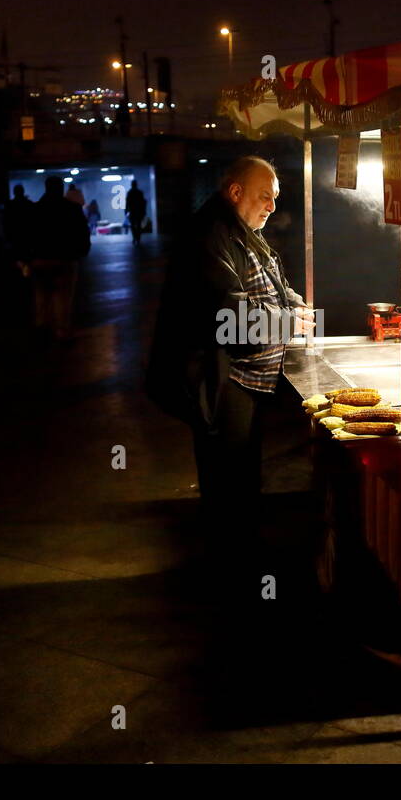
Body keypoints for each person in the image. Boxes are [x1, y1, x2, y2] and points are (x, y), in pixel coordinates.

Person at [146, 156, 314, 580]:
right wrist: (288, 321)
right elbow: (228, 317)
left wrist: (292, 304)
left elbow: (269, 283)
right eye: (264, 196)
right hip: (220, 382)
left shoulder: (242, 232)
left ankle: (242, 554)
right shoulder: (210, 235)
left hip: (244, 382)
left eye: (275, 199)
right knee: (228, 477)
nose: (271, 207)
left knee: (242, 475)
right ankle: (232, 570)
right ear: (234, 192)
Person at [29, 177, 89, 342]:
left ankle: (42, 328)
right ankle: (61, 331)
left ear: (46, 187)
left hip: (39, 259)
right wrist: (81, 252)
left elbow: (26, 235)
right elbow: (82, 232)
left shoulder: (35, 209)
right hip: (65, 259)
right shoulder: (71, 209)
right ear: (61, 188)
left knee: (41, 296)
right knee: (63, 297)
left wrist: (27, 257)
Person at [126, 179, 147, 247]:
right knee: (138, 225)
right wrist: (144, 211)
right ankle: (138, 238)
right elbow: (143, 202)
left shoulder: (130, 192)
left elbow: (127, 203)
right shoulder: (139, 192)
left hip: (132, 211)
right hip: (139, 211)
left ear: (131, 185)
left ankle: (135, 238)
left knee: (133, 225)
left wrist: (126, 211)